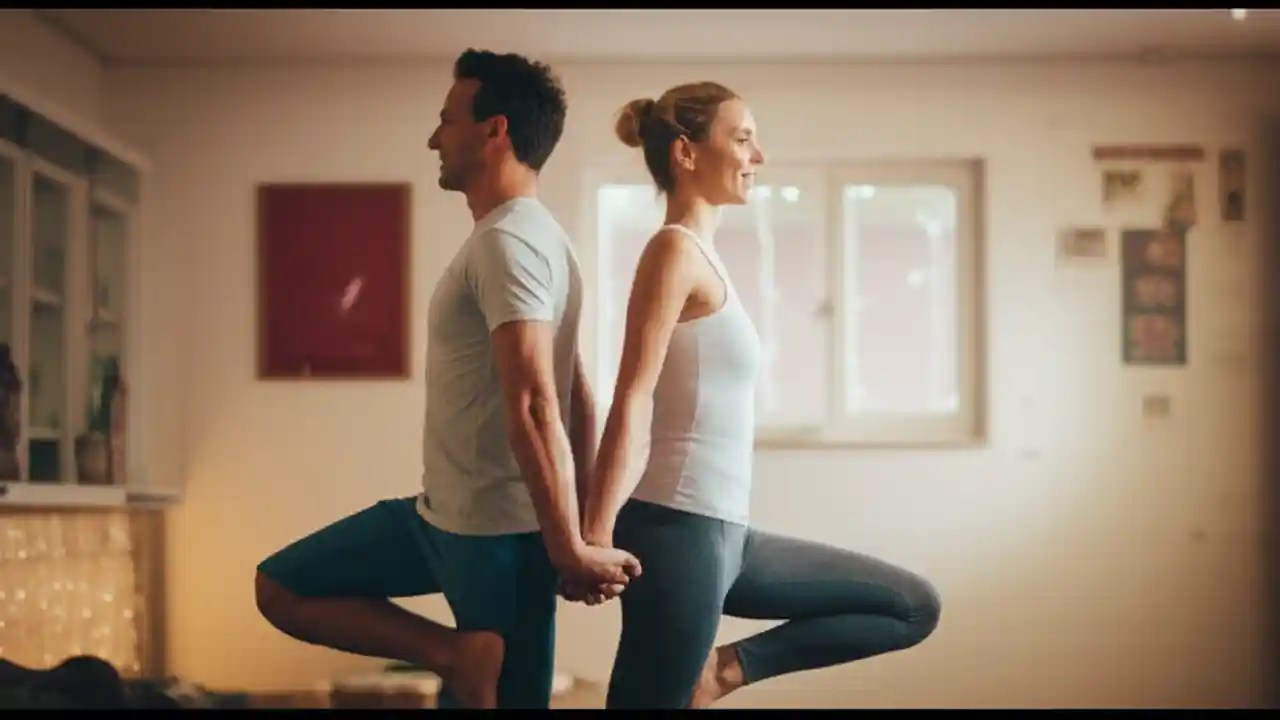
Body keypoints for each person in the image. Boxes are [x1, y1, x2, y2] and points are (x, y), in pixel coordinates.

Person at [253, 48, 641, 710]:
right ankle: (455, 655)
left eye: (447, 119)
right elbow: (575, 392)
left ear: (494, 130)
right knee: (282, 585)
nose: (435, 138)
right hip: (446, 520)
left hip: (494, 539)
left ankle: (464, 659)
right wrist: (575, 533)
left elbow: (540, 403)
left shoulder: (510, 242)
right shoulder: (536, 237)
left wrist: (569, 544)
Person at [573, 81, 942, 709]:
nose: (758, 156)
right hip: (676, 530)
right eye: (742, 139)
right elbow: (631, 394)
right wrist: (594, 536)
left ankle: (721, 672)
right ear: (687, 154)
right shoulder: (672, 251)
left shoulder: (707, 259)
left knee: (910, 606)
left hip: (727, 536)